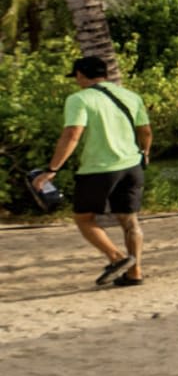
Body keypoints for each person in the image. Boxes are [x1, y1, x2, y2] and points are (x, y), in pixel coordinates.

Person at [40, 54, 151, 287]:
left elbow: (72, 135)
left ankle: (117, 258)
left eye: (76, 77)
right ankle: (135, 272)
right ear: (105, 74)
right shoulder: (131, 96)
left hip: (98, 169)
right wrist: (145, 153)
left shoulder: (79, 99)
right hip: (132, 165)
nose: (76, 81)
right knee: (130, 220)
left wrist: (52, 169)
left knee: (83, 218)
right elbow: (146, 131)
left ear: (81, 75)